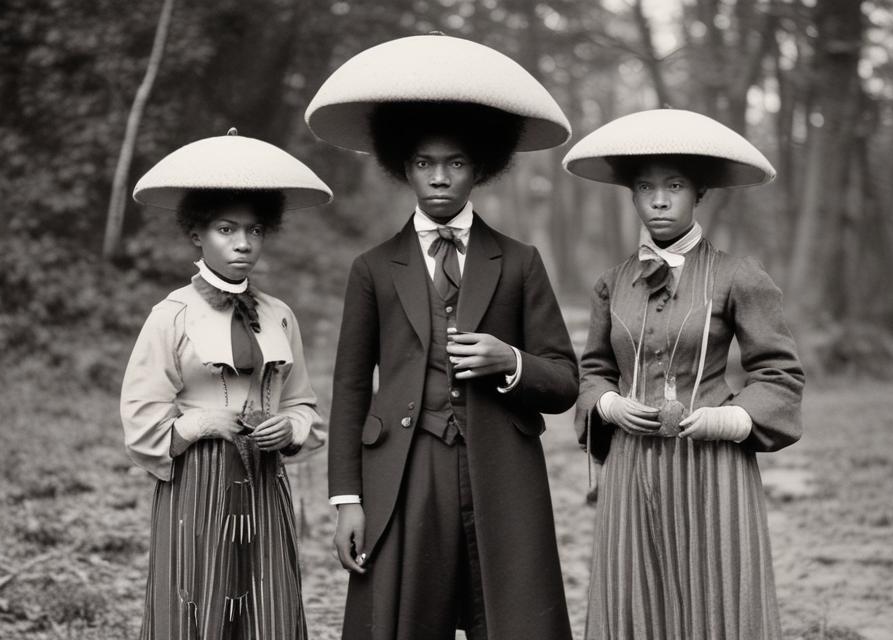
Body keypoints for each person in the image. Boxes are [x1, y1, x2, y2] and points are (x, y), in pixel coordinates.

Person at [305, 34, 578, 640]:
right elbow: (350, 389)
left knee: (508, 621)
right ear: (404, 168)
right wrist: (346, 499)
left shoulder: (521, 261)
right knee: (404, 622)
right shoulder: (373, 268)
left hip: (501, 472)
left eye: (455, 163)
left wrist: (511, 360)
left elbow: (564, 381)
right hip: (404, 472)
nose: (439, 177)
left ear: (480, 168)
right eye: (425, 163)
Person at [563, 109, 806, 640]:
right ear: (632, 195)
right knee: (636, 591)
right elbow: (594, 370)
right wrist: (607, 404)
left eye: (674, 186)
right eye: (645, 187)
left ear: (699, 194)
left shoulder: (737, 276)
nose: (659, 200)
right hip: (631, 465)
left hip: (712, 466)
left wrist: (729, 419)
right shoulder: (612, 284)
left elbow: (780, 373)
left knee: (713, 592)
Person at [120, 130, 332, 640]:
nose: (243, 243)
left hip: (264, 480)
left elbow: (304, 404)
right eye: (225, 229)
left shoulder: (279, 316)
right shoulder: (172, 315)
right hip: (195, 482)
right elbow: (141, 418)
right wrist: (199, 424)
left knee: (267, 602)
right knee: (195, 597)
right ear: (197, 234)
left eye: (255, 230)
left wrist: (289, 428)